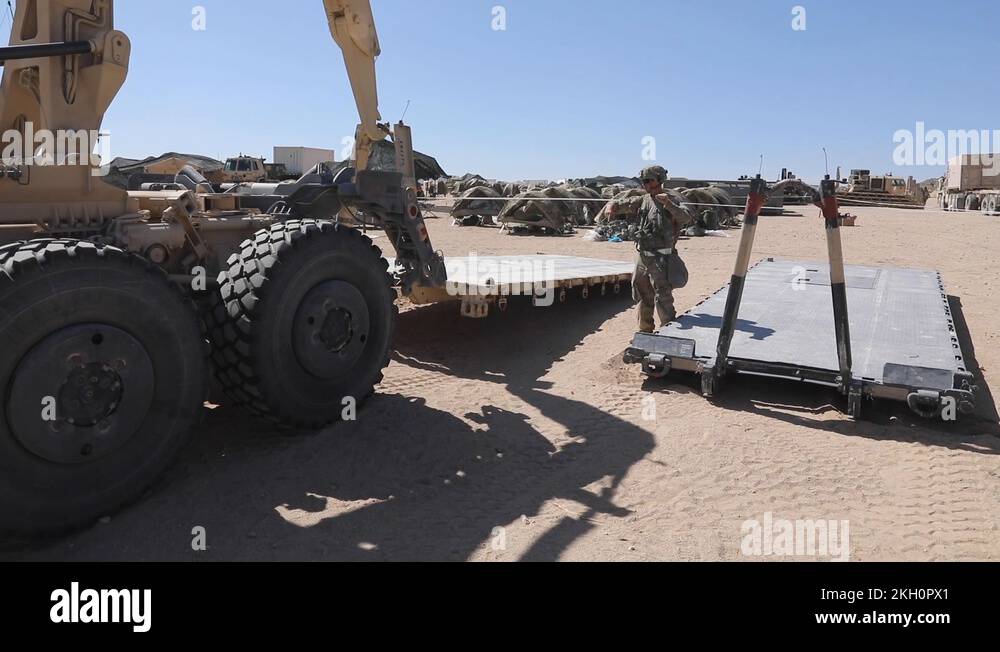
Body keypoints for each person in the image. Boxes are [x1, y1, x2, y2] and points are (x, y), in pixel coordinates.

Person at [609, 165, 694, 333]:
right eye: (643, 181)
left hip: (661, 257)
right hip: (643, 256)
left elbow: (685, 217)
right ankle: (645, 331)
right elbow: (623, 204)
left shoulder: (671, 199)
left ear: (660, 180)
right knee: (642, 294)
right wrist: (613, 205)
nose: (646, 184)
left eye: (649, 180)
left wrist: (668, 204)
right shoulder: (643, 200)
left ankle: (667, 332)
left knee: (663, 296)